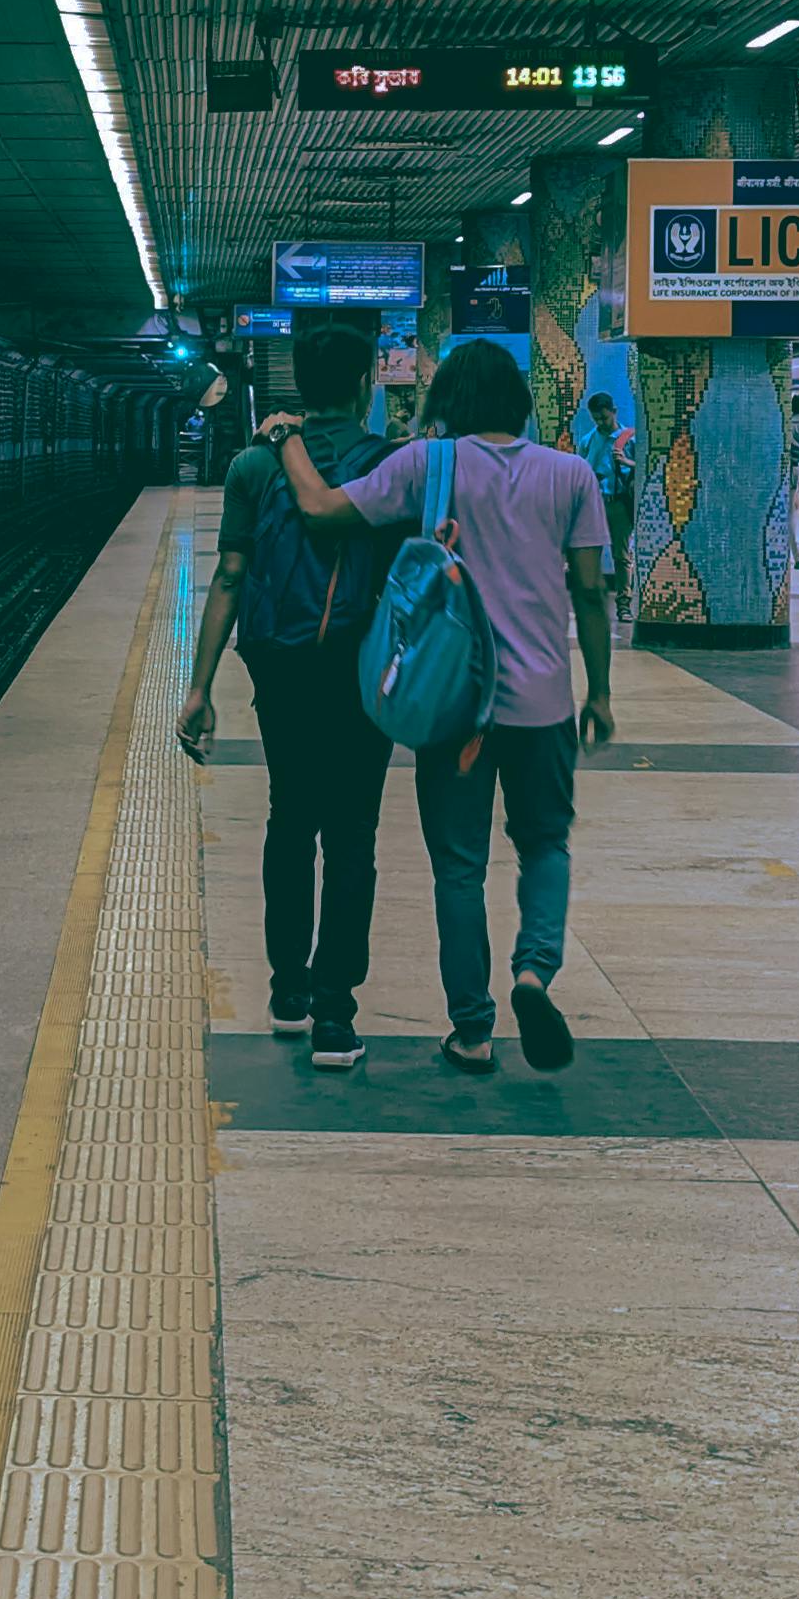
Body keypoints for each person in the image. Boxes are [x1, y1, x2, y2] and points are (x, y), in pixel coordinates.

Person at [264, 339, 612, 1076]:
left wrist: (286, 434)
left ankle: (472, 1029)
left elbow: (322, 510)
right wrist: (600, 692)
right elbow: (588, 591)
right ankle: (532, 973)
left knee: (458, 867)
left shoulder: (428, 464)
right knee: (544, 844)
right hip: (544, 702)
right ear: (518, 399)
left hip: (454, 705)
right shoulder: (572, 473)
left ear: (446, 399)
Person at [180, 321, 396, 1070]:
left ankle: (286, 992)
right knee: (352, 835)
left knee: (289, 815)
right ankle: (336, 1014)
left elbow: (231, 577)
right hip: (362, 667)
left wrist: (199, 685)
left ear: (298, 382)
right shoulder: (390, 463)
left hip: (278, 663)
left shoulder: (252, 465)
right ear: (366, 380)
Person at [574, 389, 638, 624]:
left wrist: (628, 462)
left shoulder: (629, 439)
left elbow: (646, 471)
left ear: (614, 412)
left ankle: (624, 605)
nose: (601, 422)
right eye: (596, 418)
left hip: (619, 504)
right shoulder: (588, 440)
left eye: (604, 417)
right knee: (590, 553)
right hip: (594, 504)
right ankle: (592, 604)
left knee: (621, 556)